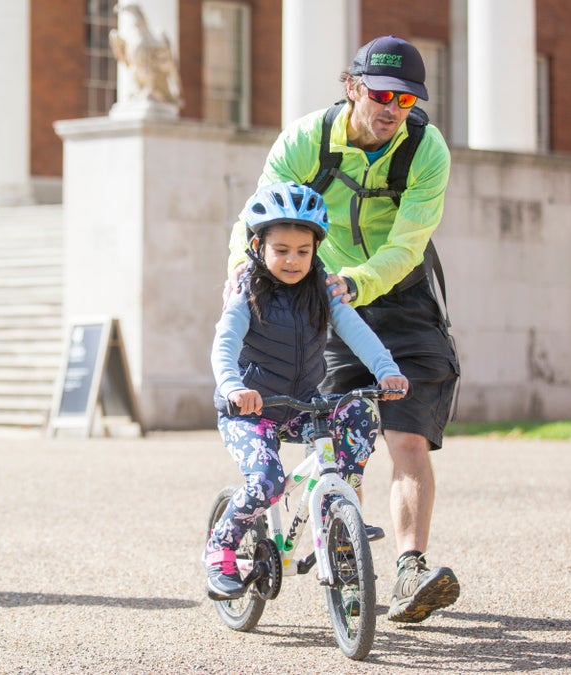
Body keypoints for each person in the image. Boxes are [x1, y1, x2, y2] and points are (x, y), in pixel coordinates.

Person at [224, 36, 461, 622]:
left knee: (406, 436)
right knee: (334, 443)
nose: (390, 108)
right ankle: (346, 560)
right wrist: (241, 279)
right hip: (315, 296)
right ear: (351, 86)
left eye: (405, 101)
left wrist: (355, 284)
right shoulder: (306, 139)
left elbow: (408, 243)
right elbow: (258, 214)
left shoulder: (425, 150)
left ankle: (409, 570)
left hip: (397, 296)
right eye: (380, 94)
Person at [205, 181, 409, 601]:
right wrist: (233, 387)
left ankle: (341, 505)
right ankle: (220, 547)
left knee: (359, 413)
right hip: (251, 408)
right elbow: (224, 341)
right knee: (266, 481)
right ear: (259, 246)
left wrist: (386, 371)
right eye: (281, 250)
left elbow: (359, 333)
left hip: (302, 407)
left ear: (316, 249)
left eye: (303, 250)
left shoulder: (324, 290)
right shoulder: (247, 291)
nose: (293, 260)